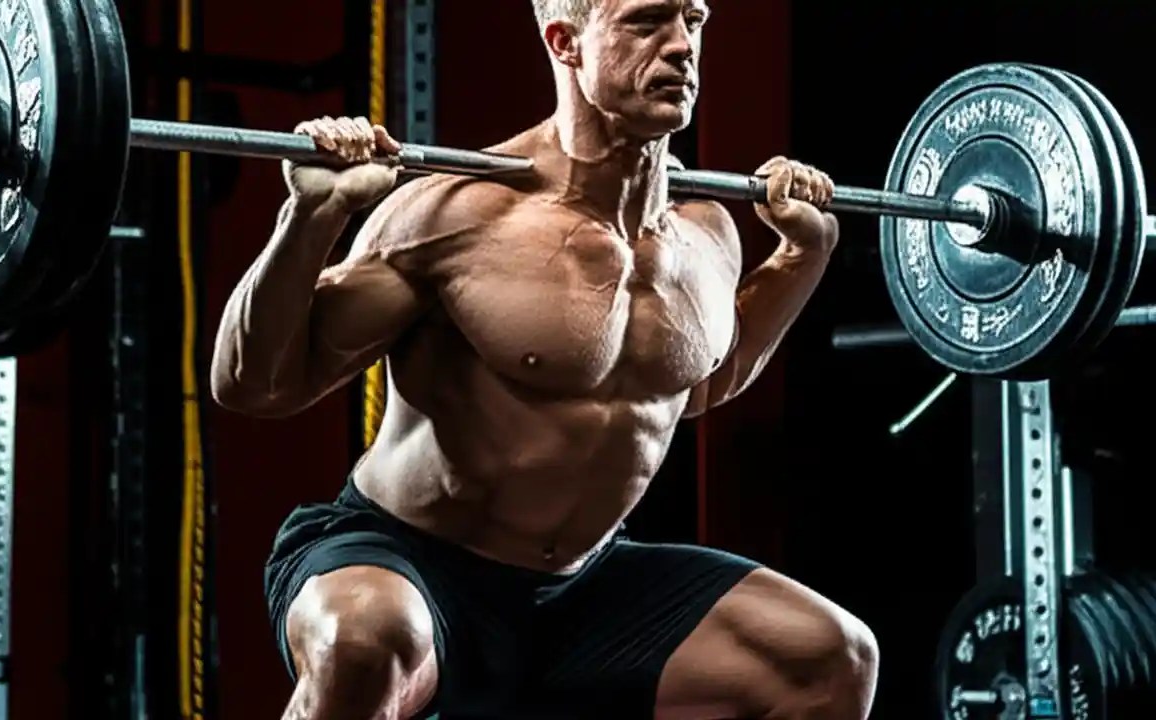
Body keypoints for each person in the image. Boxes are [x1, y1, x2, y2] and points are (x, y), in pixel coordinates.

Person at [212, 0, 879, 717]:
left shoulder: (704, 228)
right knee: (366, 644)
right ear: (565, 42)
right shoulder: (461, 214)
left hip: (583, 590)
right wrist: (310, 216)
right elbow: (254, 384)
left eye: (693, 20)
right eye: (647, 22)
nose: (683, 45)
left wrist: (806, 255)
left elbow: (703, 382)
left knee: (830, 659)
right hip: (413, 564)